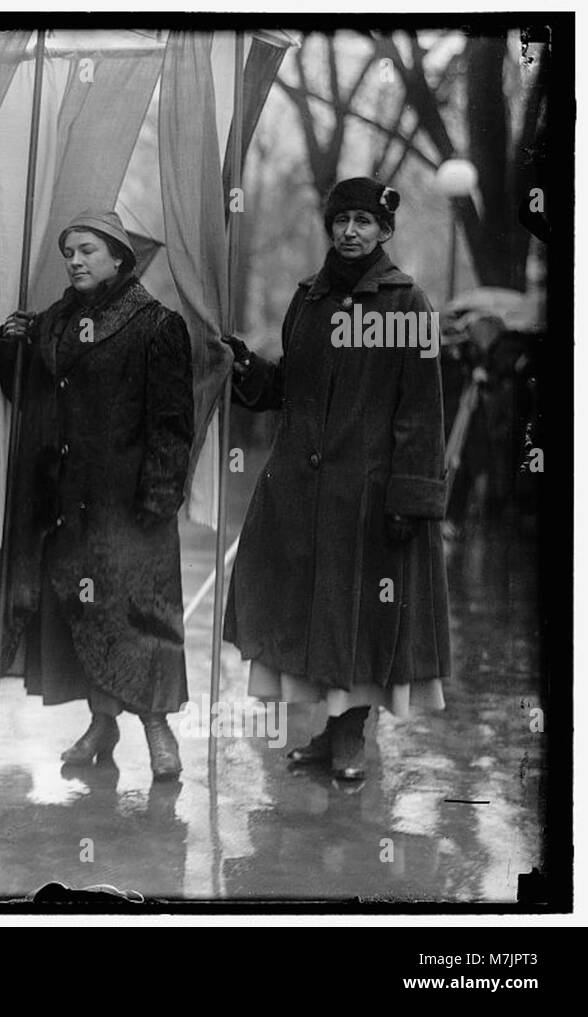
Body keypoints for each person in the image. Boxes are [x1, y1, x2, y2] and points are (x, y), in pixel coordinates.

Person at [224, 177, 450, 781]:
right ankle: (330, 733)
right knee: (314, 621)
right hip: (299, 493)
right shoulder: (310, 298)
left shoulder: (406, 304)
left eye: (365, 223)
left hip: (370, 497)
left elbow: (421, 409)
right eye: (342, 220)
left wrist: (410, 495)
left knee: (361, 622)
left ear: (384, 231)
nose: (351, 232)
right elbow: (289, 389)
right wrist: (245, 366)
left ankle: (351, 737)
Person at [0, 210, 194, 781]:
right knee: (82, 613)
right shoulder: (54, 322)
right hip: (66, 501)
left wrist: (160, 495)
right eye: (69, 253)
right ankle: (101, 722)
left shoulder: (157, 326)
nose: (75, 261)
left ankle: (156, 727)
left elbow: (172, 422)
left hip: (128, 506)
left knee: (140, 618)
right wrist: (10, 350)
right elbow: (29, 396)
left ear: (119, 258)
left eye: (86, 251)